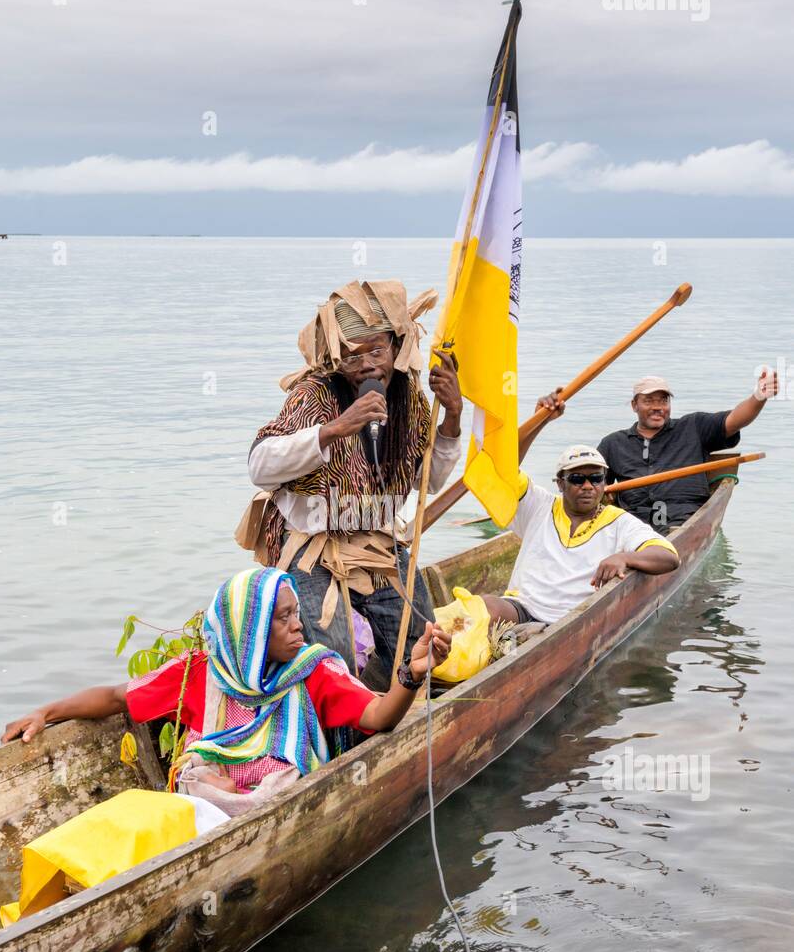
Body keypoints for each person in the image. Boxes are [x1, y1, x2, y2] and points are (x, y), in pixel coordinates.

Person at [1, 567, 452, 820]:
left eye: (297, 613)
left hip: (275, 807)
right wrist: (48, 711)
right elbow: (119, 697)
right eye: (283, 618)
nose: (299, 625)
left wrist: (410, 676)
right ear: (250, 632)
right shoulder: (204, 673)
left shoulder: (313, 672)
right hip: (204, 806)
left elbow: (378, 718)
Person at [240, 279, 463, 676]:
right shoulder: (315, 393)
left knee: (420, 640)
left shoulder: (409, 397)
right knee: (332, 654)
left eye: (376, 350)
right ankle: (340, 719)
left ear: (396, 347)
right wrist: (333, 429)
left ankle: (387, 702)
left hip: (378, 545)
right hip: (313, 549)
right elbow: (259, 465)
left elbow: (427, 482)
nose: (366, 365)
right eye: (352, 356)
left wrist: (453, 416)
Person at [483, 446, 679, 629]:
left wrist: (624, 557)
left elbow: (668, 557)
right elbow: (502, 464)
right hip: (523, 609)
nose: (587, 486)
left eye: (596, 478)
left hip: (574, 622)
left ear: (604, 483)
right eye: (577, 479)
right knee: (485, 606)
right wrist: (542, 420)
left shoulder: (620, 522)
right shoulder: (538, 505)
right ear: (560, 483)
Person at [598, 370, 778, 530]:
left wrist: (758, 396)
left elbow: (734, 421)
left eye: (663, 400)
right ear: (634, 405)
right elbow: (591, 482)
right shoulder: (613, 443)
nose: (657, 407)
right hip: (633, 525)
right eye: (649, 401)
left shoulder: (693, 427)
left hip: (684, 519)